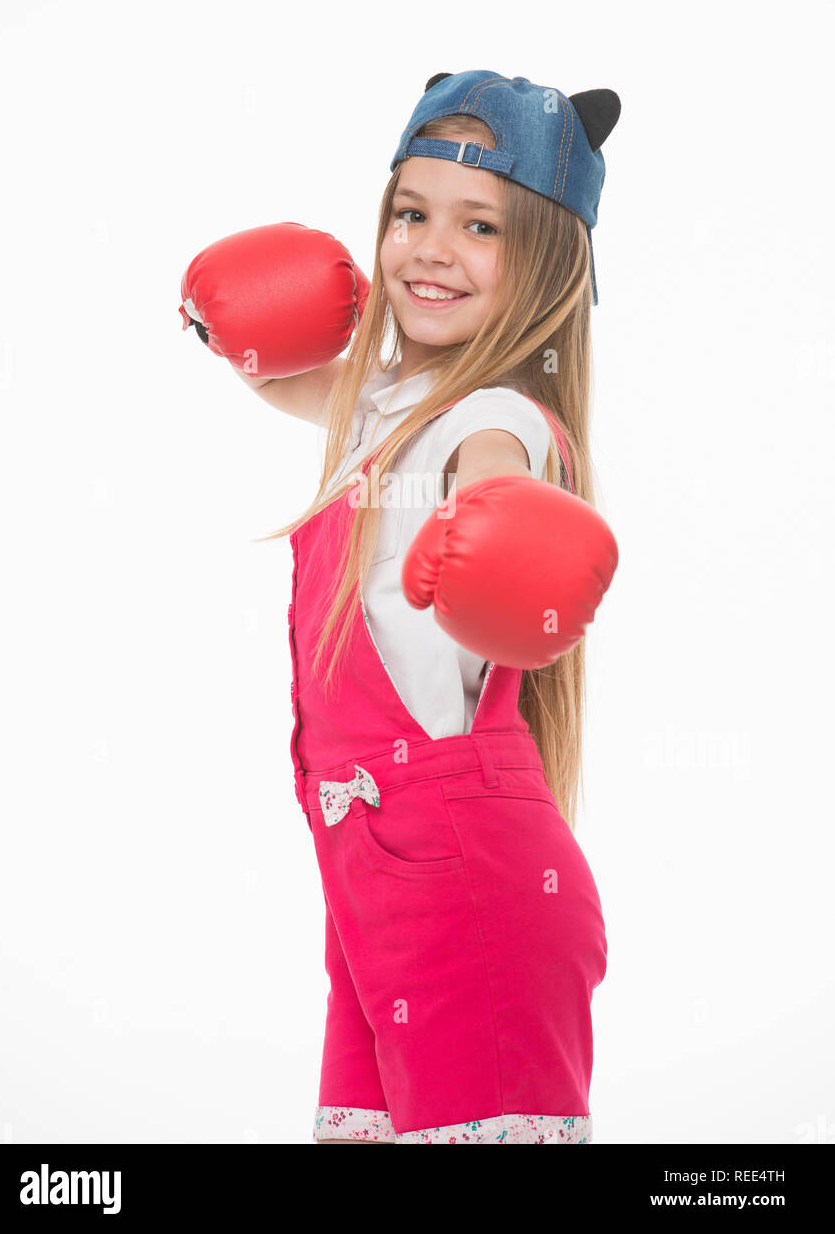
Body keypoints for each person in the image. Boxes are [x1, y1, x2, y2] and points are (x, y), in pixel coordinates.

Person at [180, 69, 621, 1144]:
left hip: (463, 877)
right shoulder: (386, 404)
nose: (430, 246)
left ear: (549, 263)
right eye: (411, 213)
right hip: (373, 872)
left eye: (481, 226)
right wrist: (218, 316)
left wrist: (491, 521)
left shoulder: (499, 415)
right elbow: (288, 383)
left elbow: (493, 471)